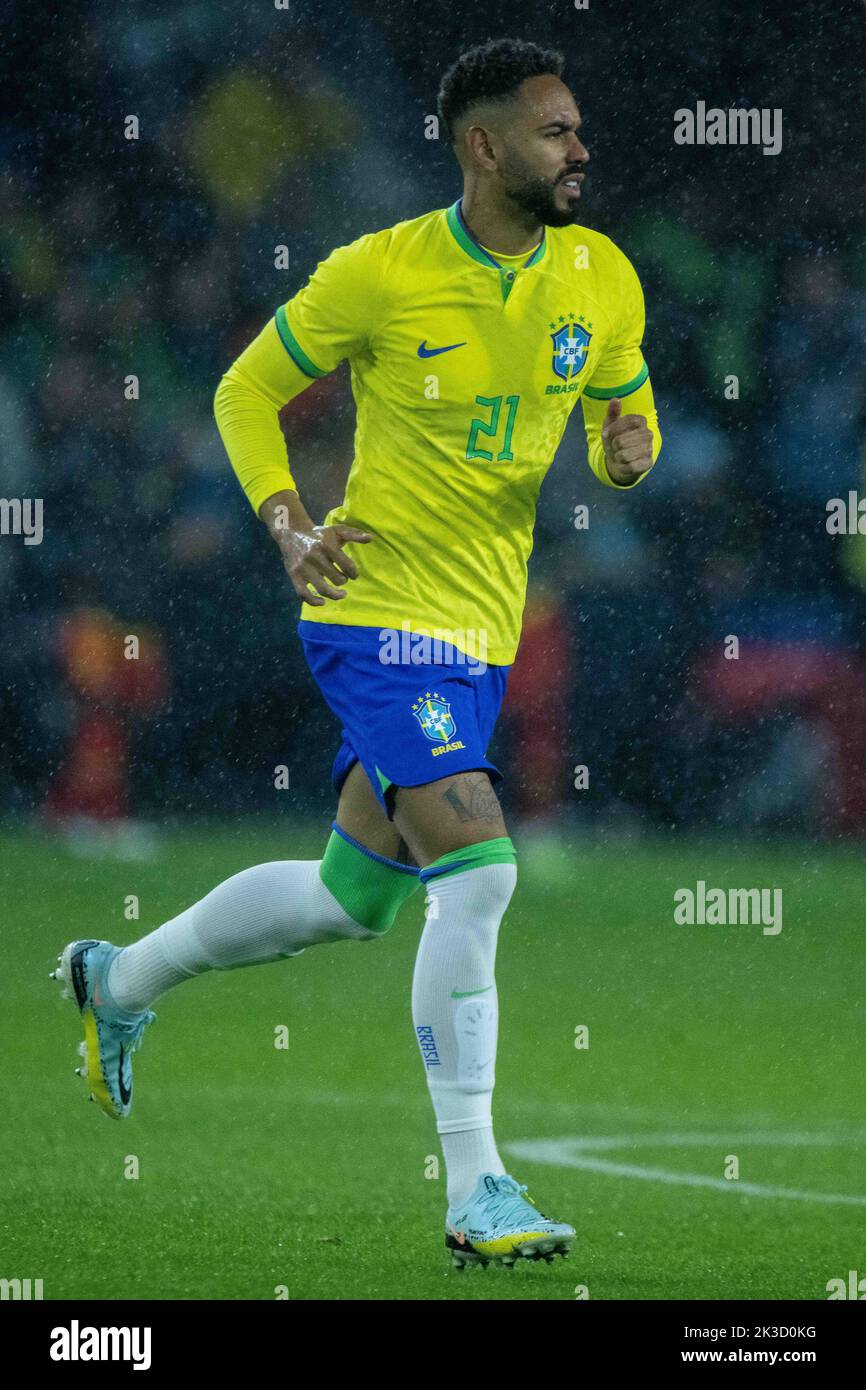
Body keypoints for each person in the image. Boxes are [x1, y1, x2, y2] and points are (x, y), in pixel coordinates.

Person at [55, 38, 660, 1269]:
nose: (578, 149)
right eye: (553, 131)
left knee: (353, 899)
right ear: (482, 146)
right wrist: (285, 524)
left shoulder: (599, 275)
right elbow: (242, 390)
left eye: (577, 127)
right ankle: (475, 1184)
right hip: (373, 614)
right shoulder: (378, 273)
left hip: (480, 632)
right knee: (481, 867)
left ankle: (116, 981)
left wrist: (623, 446)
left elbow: (620, 402)